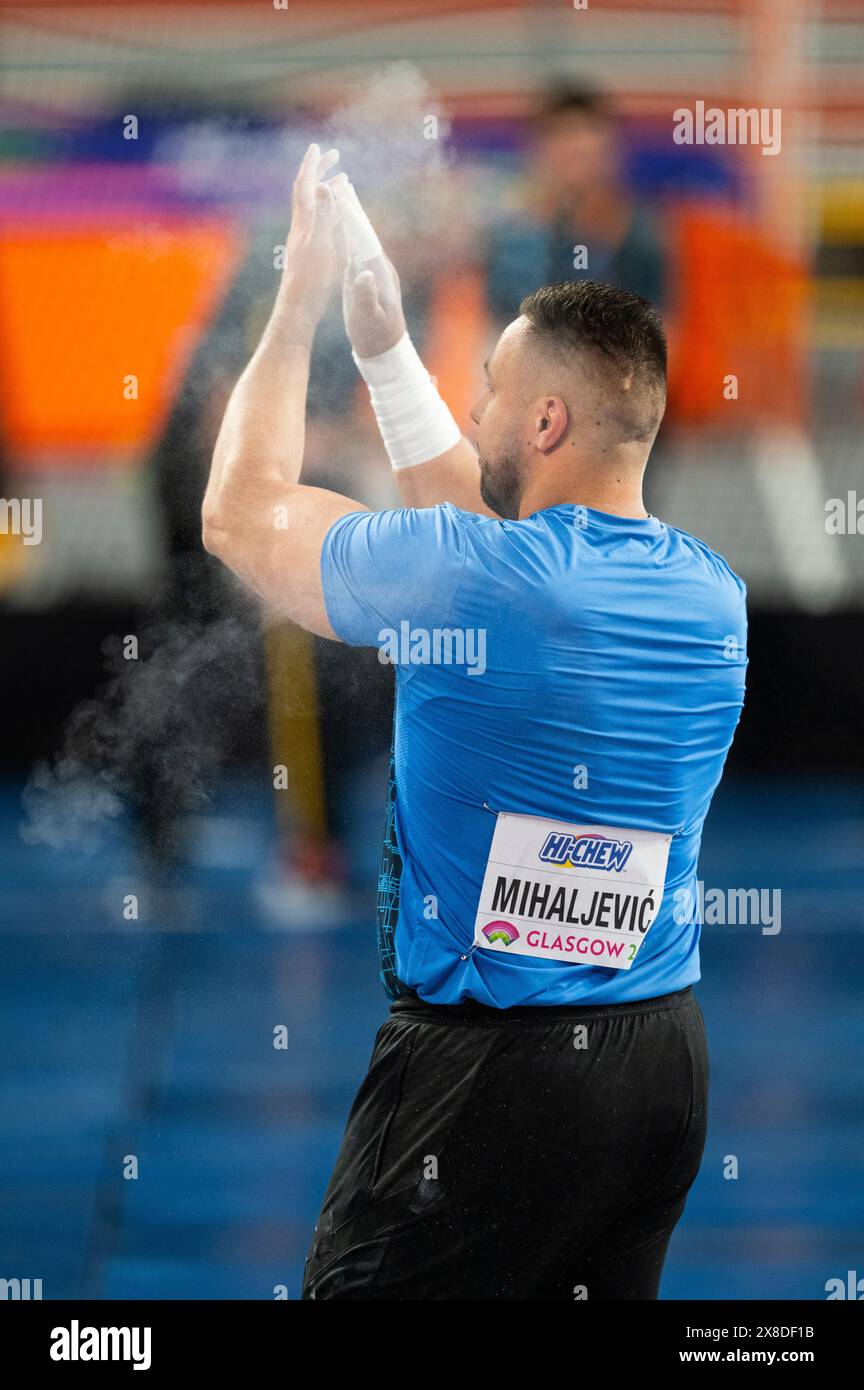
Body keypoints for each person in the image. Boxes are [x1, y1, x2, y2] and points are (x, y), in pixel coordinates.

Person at [203, 145, 747, 1300]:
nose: (472, 408)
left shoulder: (479, 582)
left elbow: (239, 515)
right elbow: (493, 540)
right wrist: (385, 345)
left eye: (488, 389)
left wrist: (295, 300)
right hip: (659, 1068)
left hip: (485, 1080)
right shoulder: (708, 591)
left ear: (545, 419)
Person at [486, 84, 666, 323]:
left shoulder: (647, 233)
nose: (574, 149)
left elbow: (665, 324)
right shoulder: (513, 238)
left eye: (584, 141)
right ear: (538, 151)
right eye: (562, 138)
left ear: (611, 149)